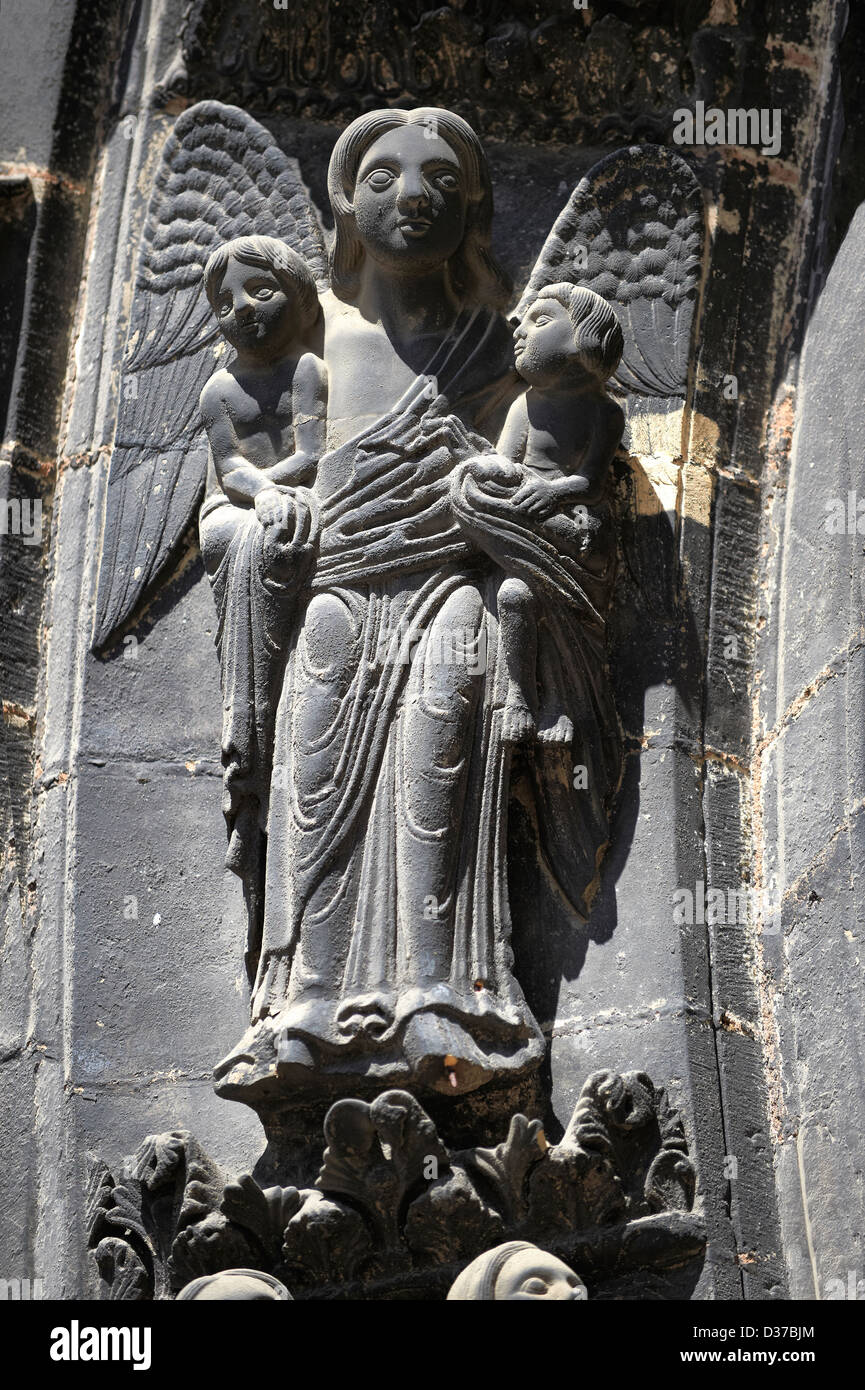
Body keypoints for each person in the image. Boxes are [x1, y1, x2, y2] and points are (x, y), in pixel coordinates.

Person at [493, 283, 624, 744]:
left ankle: (561, 701)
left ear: (581, 338)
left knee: (559, 601)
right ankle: (516, 697)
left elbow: (589, 480)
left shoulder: (604, 412)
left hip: (573, 524)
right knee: (513, 596)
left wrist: (554, 492)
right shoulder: (523, 405)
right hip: (523, 513)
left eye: (540, 319)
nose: (518, 326)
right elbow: (501, 467)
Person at [200, 235, 326, 516]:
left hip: (292, 495)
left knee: (294, 518)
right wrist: (262, 492)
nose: (242, 307)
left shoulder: (304, 368)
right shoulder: (217, 391)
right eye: (224, 305)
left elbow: (310, 455)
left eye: (262, 292)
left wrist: (266, 489)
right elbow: (229, 465)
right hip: (239, 503)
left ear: (298, 296)